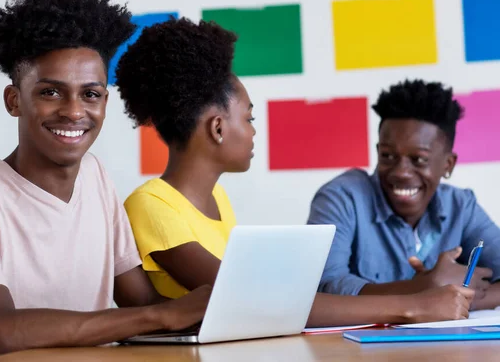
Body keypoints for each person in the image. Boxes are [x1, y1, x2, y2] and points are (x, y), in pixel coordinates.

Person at [114, 17, 474, 327]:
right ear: (218, 128)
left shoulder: (216, 199)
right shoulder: (152, 206)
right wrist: (413, 306)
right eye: (249, 118)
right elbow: (260, 301)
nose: (255, 130)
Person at [0, 0, 209, 362]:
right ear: (14, 100)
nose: (74, 111)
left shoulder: (95, 177)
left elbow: (141, 300)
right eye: (51, 92)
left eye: (91, 94)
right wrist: (161, 316)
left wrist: (215, 312)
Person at [307, 79, 500, 310]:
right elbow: (323, 288)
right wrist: (424, 289)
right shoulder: (341, 198)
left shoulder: (462, 206)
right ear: (377, 151)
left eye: (419, 159)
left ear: (448, 164)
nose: (401, 172)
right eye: (388, 156)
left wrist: (452, 297)